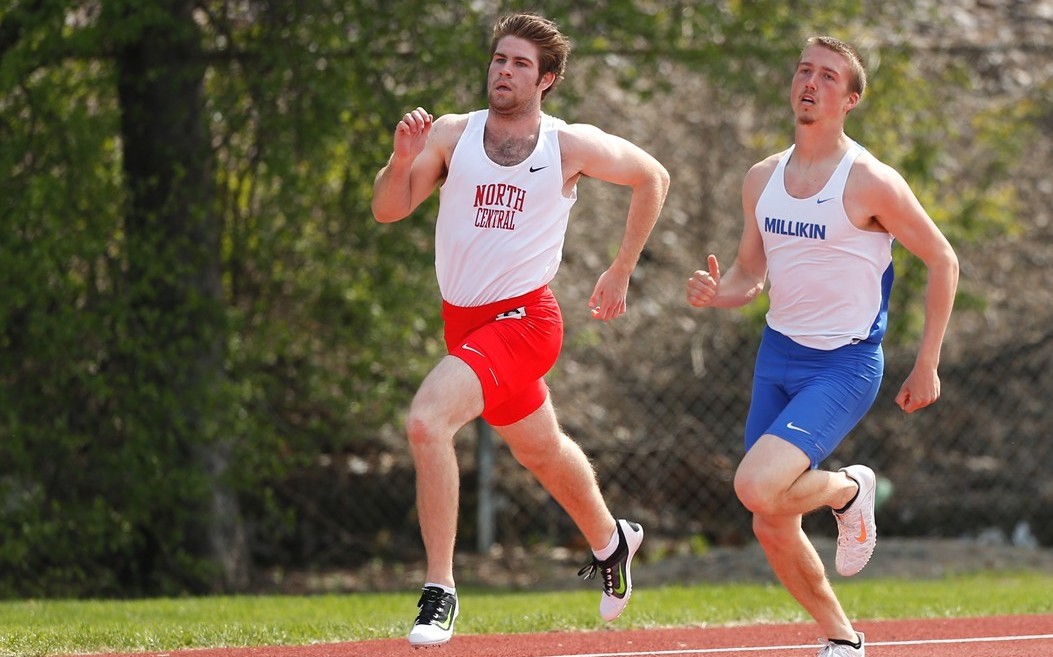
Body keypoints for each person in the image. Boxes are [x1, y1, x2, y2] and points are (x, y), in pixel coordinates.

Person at [372, 12, 670, 647]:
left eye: (520, 65)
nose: (504, 72)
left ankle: (440, 590)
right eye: (499, 60)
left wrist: (621, 268)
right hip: (464, 325)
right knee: (540, 450)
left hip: (526, 321)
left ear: (546, 80)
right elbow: (388, 209)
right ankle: (612, 541)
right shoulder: (452, 134)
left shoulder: (567, 145)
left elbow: (653, 176)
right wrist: (400, 161)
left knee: (427, 421)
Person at [686, 36, 958, 657]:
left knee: (756, 488)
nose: (810, 82)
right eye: (804, 70)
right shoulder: (762, 178)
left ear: (851, 99)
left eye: (829, 76)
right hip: (778, 356)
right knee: (769, 518)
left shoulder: (870, 182)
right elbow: (749, 275)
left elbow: (943, 259)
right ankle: (842, 637)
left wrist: (928, 362)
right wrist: (717, 293)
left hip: (845, 364)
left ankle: (848, 489)